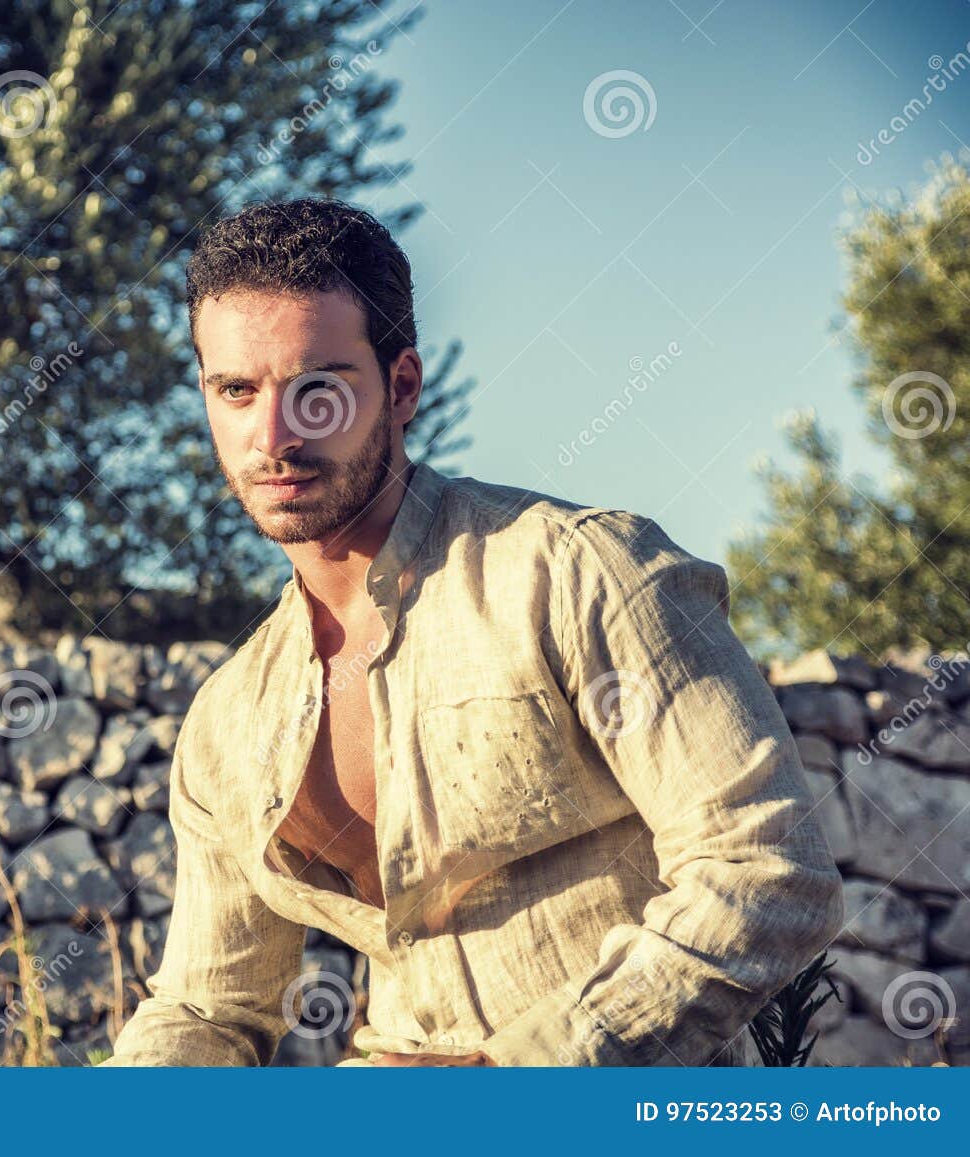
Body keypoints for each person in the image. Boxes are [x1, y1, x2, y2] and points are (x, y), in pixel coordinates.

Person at [100, 198, 844, 1067]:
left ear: (402, 387)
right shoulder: (230, 718)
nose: (274, 436)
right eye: (237, 390)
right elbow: (209, 1007)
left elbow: (766, 868)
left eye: (318, 389)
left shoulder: (581, 575)